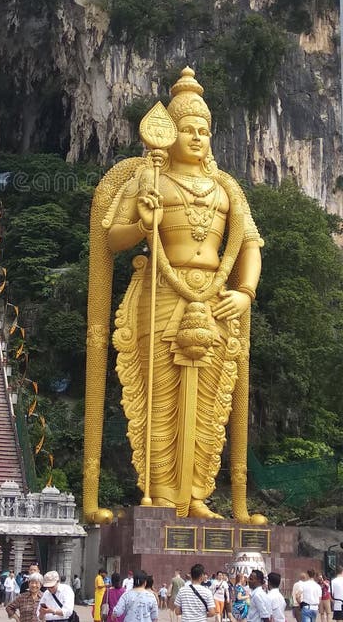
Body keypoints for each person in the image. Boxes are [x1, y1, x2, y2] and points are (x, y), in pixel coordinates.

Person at [83, 67, 265, 522]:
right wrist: (144, 223)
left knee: (211, 401)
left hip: (218, 296)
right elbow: (111, 239)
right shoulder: (149, 179)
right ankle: (163, 493)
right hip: (162, 291)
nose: (197, 136)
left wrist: (245, 292)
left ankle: (199, 494)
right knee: (159, 395)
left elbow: (249, 246)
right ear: (169, 134)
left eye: (204, 130)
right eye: (187, 129)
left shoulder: (228, 188)